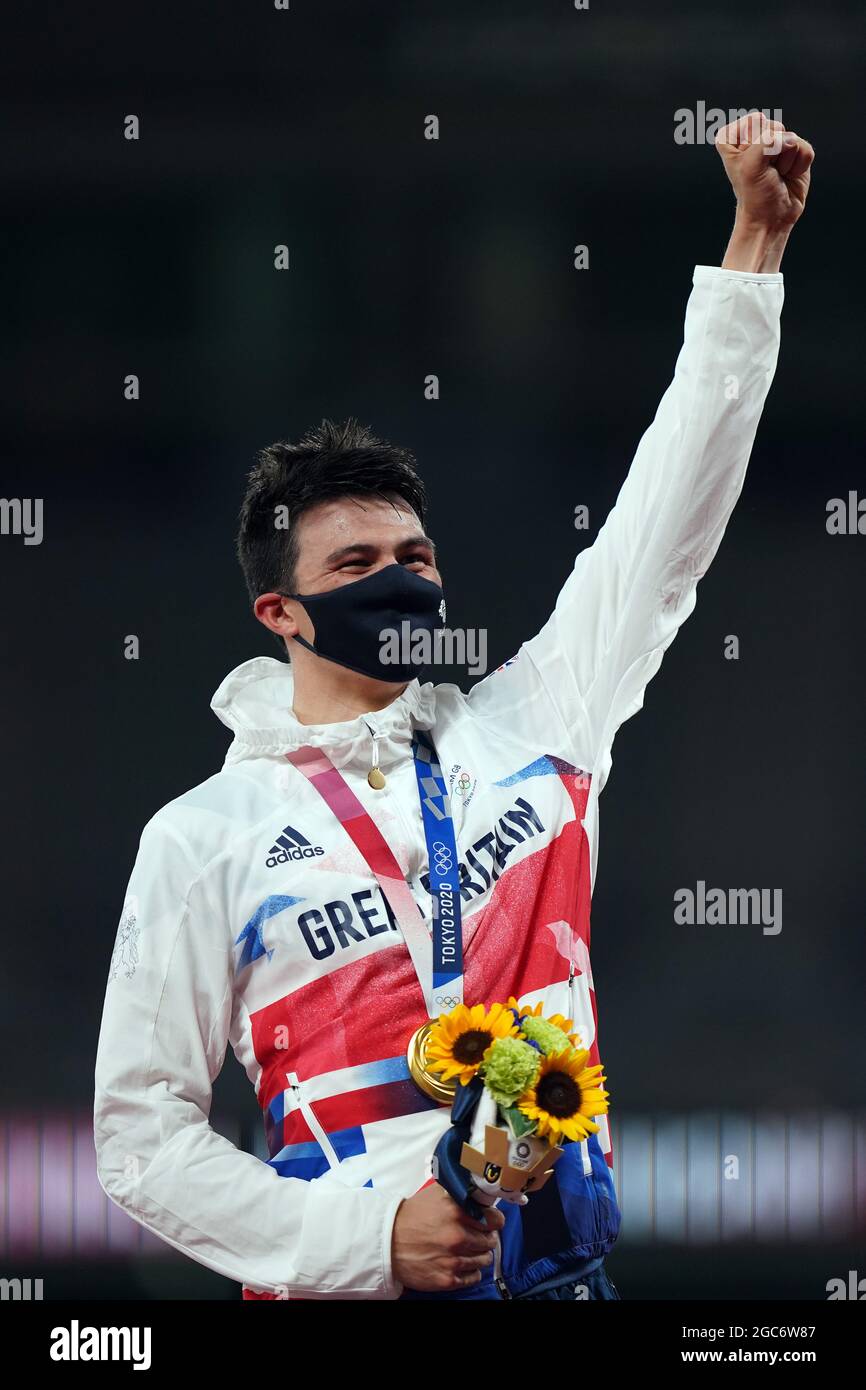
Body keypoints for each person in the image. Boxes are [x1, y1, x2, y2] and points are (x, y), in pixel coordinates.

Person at [93, 113, 813, 1300]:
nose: (400, 578)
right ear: (278, 613)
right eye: (355, 562)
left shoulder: (536, 724)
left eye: (414, 552)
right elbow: (138, 1139)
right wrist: (368, 1245)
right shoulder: (202, 836)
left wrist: (750, 251)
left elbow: (665, 519)